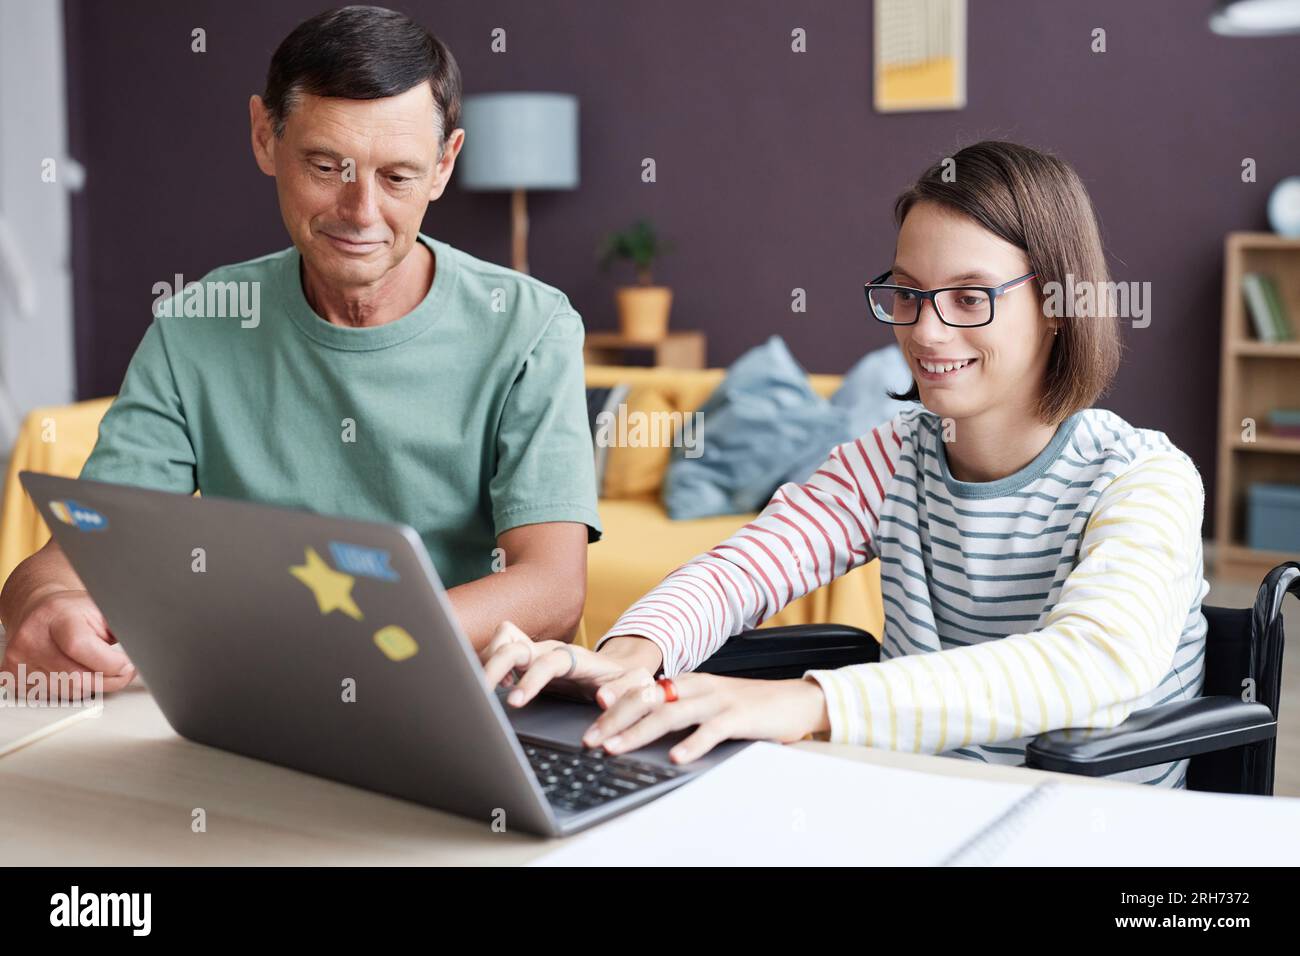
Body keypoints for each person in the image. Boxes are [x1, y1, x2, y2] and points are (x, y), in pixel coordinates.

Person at [482, 140, 1208, 789]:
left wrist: (811, 702)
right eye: (908, 292)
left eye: (969, 296)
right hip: (927, 804)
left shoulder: (1144, 479)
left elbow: (1092, 664)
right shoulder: (891, 459)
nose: (925, 329)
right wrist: (633, 654)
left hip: (1093, 828)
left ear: (1057, 304)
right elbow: (744, 568)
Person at [0, 6, 600, 697]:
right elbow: (74, 557)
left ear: (444, 165)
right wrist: (45, 607)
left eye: (398, 177)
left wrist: (340, 648)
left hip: (469, 700)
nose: (361, 212)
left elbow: (554, 590)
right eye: (325, 165)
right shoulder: (199, 322)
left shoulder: (530, 324)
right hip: (266, 702)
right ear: (264, 135)